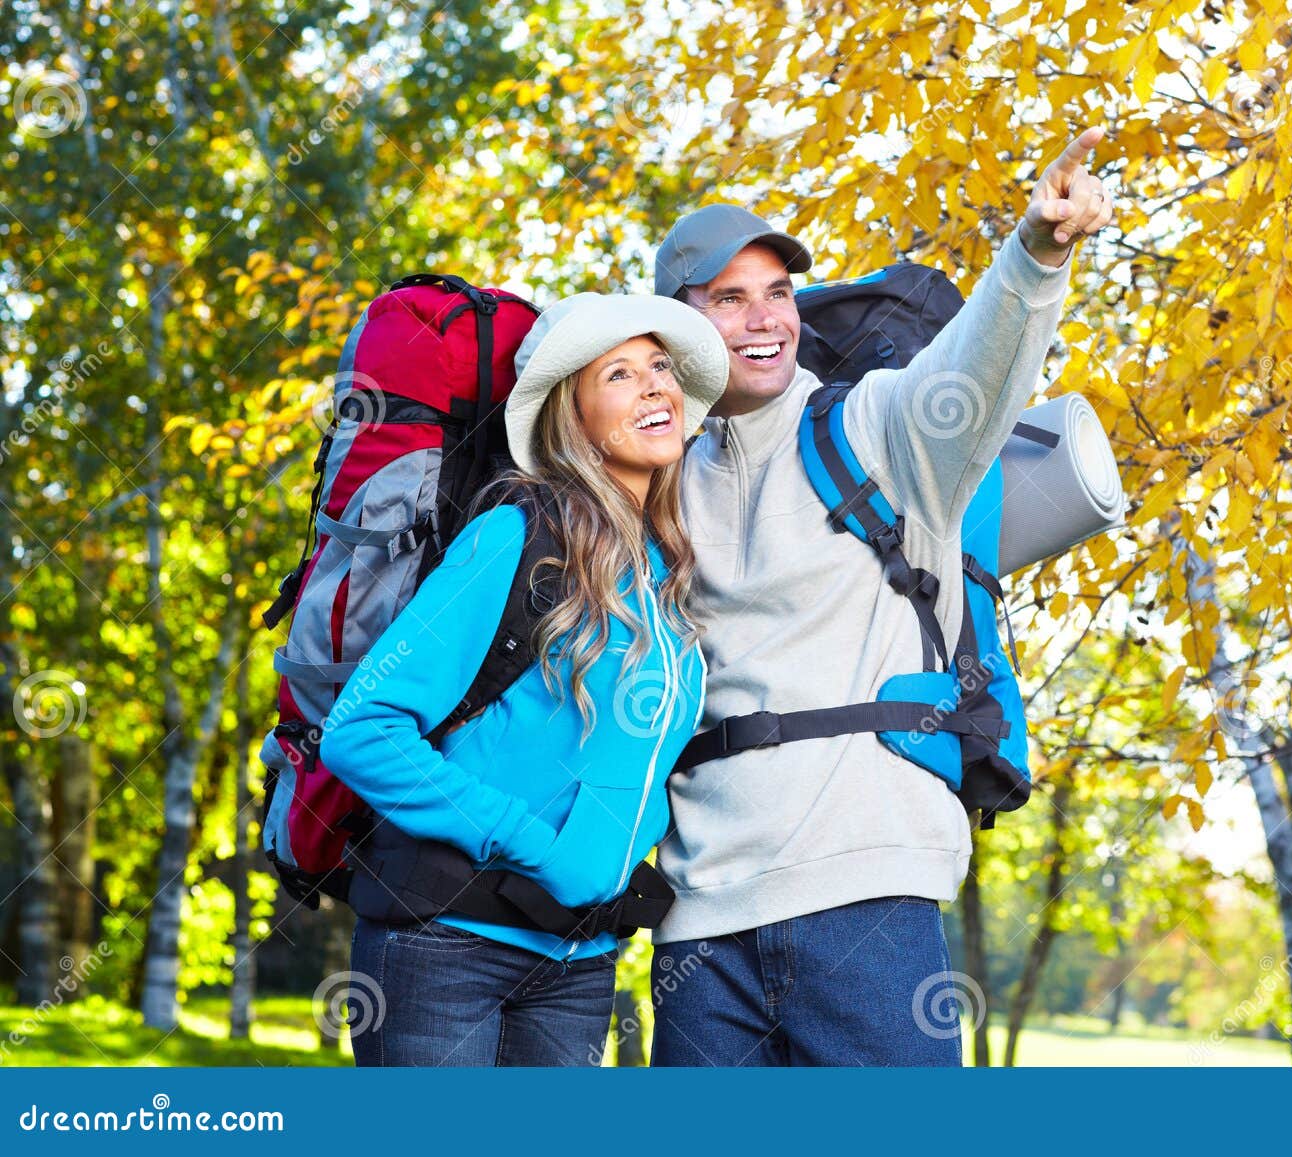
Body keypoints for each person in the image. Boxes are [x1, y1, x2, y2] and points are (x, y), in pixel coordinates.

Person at [648, 127, 1116, 1065]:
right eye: (730, 299)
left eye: (776, 293)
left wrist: (1036, 255)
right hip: (697, 922)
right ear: (682, 323)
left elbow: (975, 372)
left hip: (866, 899)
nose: (765, 319)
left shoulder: (876, 427)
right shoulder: (659, 478)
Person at [318, 292, 727, 1066]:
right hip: (446, 948)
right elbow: (362, 730)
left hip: (578, 965)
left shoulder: (668, 585)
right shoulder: (515, 535)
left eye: (661, 368)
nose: (653, 386)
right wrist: (532, 843)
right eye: (619, 373)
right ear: (570, 414)